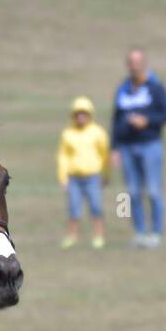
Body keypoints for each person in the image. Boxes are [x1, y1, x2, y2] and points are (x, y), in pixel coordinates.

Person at [110, 48, 166, 248]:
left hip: (150, 145)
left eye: (137, 61)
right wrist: (114, 148)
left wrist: (146, 121)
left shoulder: (155, 87)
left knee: (154, 191)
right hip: (128, 147)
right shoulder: (123, 88)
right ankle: (139, 233)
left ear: (144, 63)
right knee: (133, 192)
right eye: (131, 61)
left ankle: (155, 233)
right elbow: (116, 119)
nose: (134, 65)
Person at [56, 96, 109, 249]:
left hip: (93, 177)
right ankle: (72, 236)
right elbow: (63, 156)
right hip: (74, 178)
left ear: (89, 114)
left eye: (84, 113)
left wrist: (106, 175)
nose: (81, 117)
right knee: (73, 208)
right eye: (78, 113)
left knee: (96, 207)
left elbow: (104, 154)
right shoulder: (68, 133)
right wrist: (63, 176)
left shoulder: (98, 132)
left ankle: (98, 236)